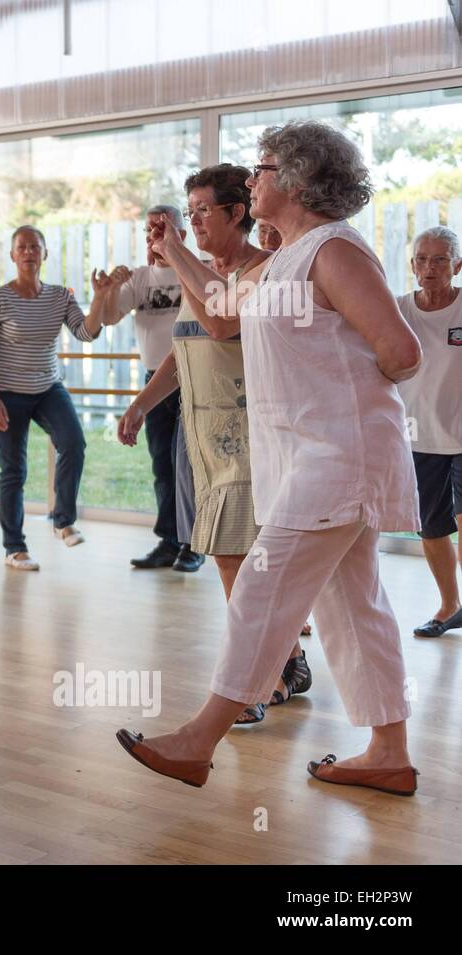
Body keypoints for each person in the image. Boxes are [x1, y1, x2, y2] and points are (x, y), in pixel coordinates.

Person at [118, 121, 424, 796]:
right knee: (353, 607)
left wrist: (339, 389)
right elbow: (220, 314)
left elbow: (402, 352)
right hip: (313, 460)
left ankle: (199, 740)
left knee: (260, 584)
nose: (250, 179)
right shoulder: (288, 258)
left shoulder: (333, 250)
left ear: (295, 176)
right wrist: (172, 250)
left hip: (336, 459)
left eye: (259, 168)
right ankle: (388, 751)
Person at [117, 165, 310, 725]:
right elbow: (185, 349)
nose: (195, 220)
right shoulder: (198, 276)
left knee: (238, 560)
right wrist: (141, 403)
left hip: (252, 437)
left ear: (236, 212)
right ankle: (288, 663)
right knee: (240, 560)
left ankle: (258, 679)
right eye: (190, 211)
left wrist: (176, 253)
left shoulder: (265, 269)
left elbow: (223, 325)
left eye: (204, 210)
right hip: (203, 439)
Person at [0, 226, 120, 571]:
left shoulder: (59, 296)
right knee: (14, 469)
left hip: (48, 388)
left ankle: (63, 520)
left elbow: (86, 332)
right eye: (22, 247)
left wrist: (100, 297)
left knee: (73, 443)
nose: (29, 252)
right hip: (6, 392)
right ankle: (14, 547)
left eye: (35, 247)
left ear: (45, 254)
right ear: (13, 255)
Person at [105, 205, 204, 573]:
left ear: (181, 234)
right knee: (163, 463)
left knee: (190, 467)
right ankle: (169, 540)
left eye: (162, 228)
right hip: (155, 381)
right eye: (149, 230)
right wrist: (108, 289)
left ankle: (195, 543)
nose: (153, 236)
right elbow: (107, 317)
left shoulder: (197, 269)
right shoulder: (139, 278)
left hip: (195, 377)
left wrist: (174, 258)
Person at [396, 226, 462, 638]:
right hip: (418, 437)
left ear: (458, 265)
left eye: (439, 260)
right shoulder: (397, 309)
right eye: (421, 259)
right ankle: (449, 605)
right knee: (431, 527)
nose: (429, 268)